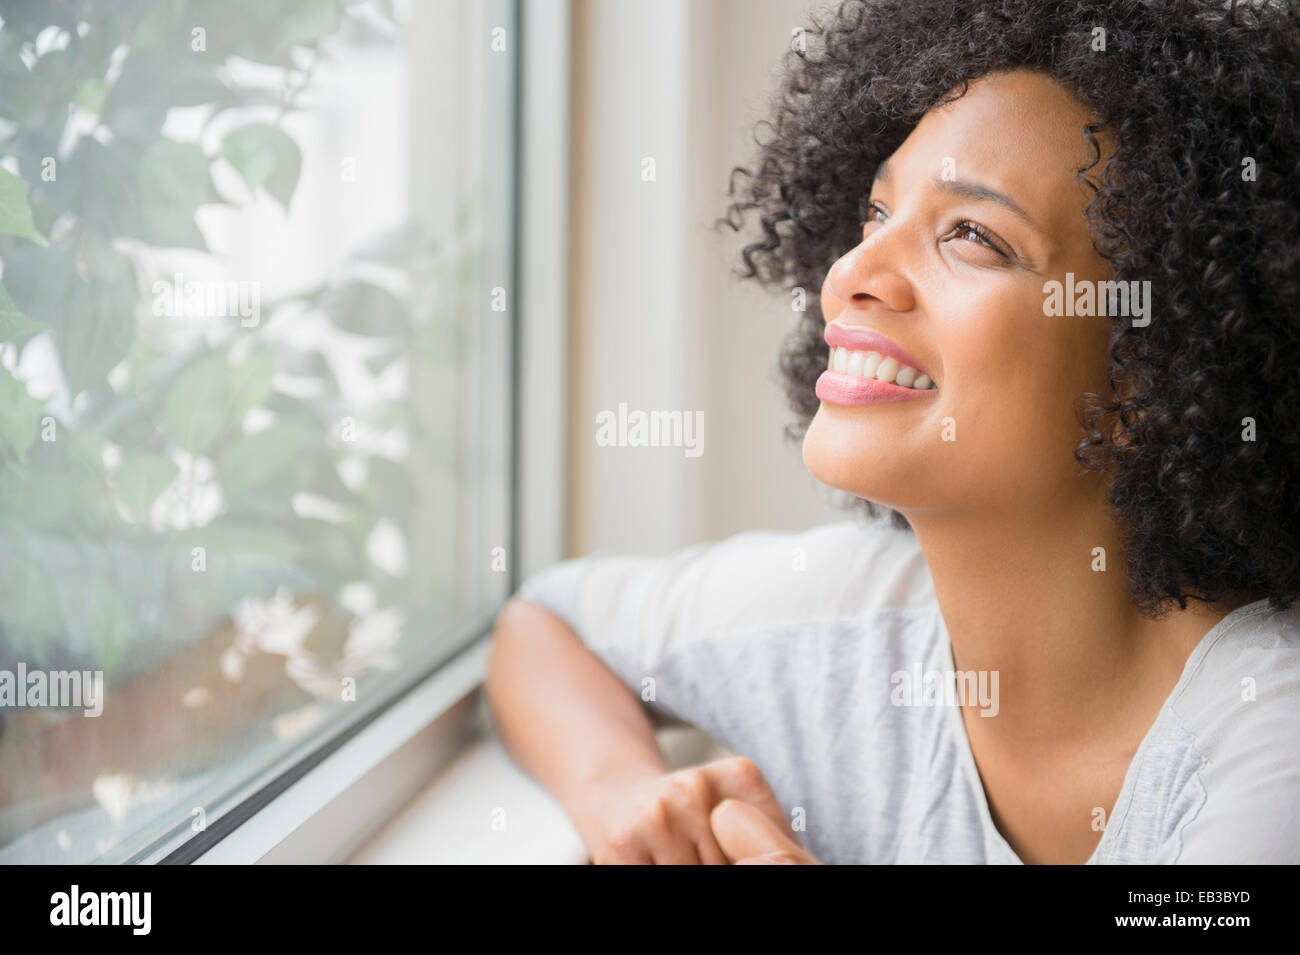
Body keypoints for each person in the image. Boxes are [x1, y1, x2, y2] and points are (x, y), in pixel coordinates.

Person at [486, 0, 1300, 864]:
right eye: (878, 215)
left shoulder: (1266, 746)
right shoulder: (843, 614)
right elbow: (544, 626)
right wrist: (619, 788)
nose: (851, 274)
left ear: (1156, 373)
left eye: (973, 236)